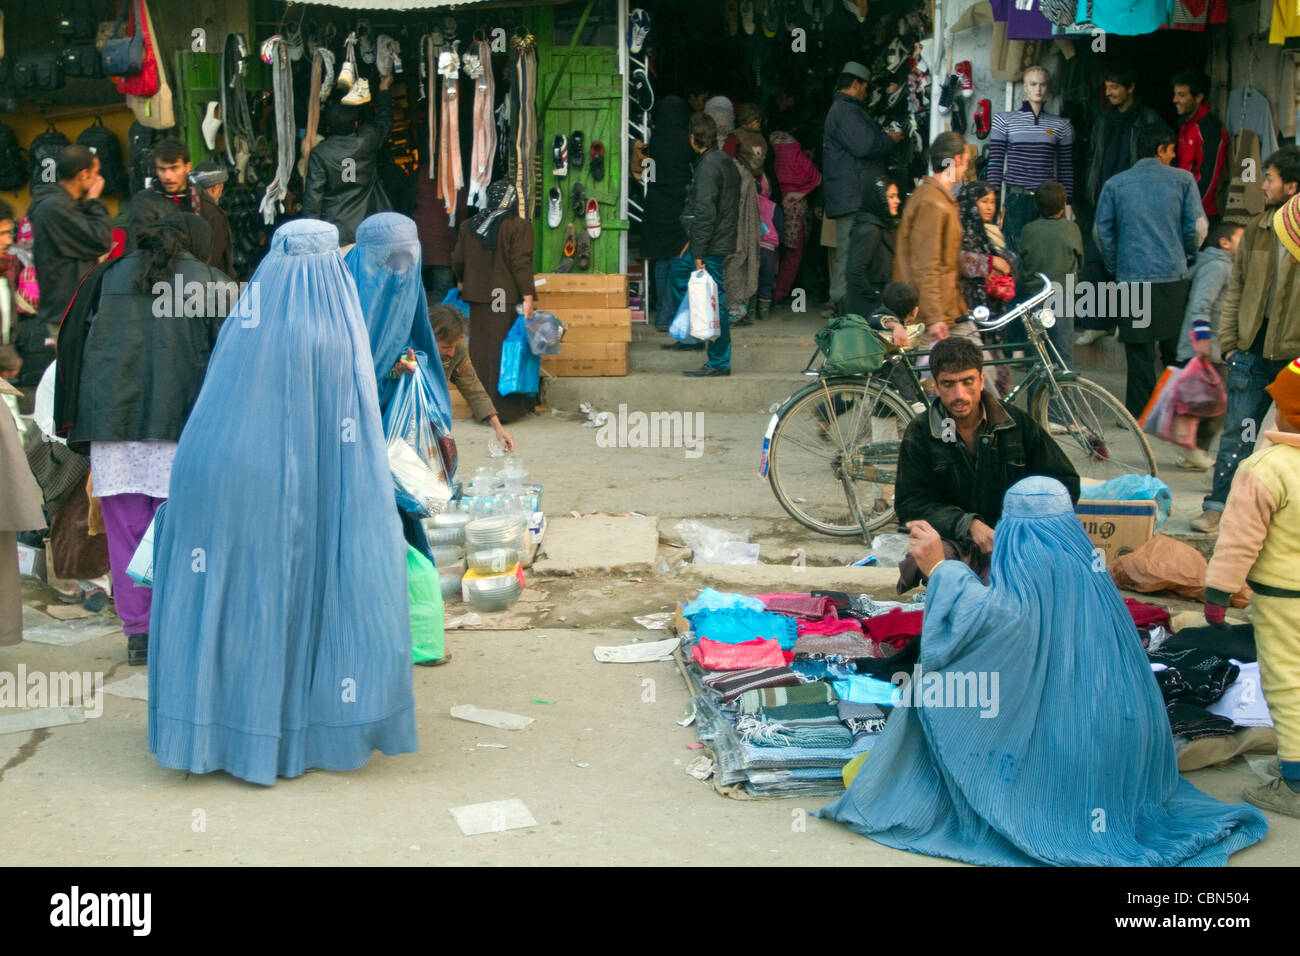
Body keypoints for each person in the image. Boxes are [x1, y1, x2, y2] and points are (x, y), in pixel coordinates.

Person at [816, 476, 1268, 865]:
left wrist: (940, 567)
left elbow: (973, 631)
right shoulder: (1096, 583)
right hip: (1128, 760)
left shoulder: (1013, 602)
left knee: (940, 696)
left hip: (1057, 769)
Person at [147, 218, 418, 786]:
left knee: (235, 608)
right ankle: (291, 737)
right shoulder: (337, 330)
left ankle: (218, 735)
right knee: (295, 602)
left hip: (214, 478)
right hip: (288, 489)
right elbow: (351, 442)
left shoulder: (249, 320)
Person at [58, 215, 229, 665]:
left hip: (113, 428)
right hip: (185, 428)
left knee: (126, 532)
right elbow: (231, 361)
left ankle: (140, 634)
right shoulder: (211, 281)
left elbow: (70, 343)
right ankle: (180, 628)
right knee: (181, 531)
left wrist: (72, 421)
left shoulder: (103, 277)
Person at [1205, 360, 1300, 818]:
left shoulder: (1263, 467)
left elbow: (1239, 540)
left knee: (1286, 686)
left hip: (1283, 601)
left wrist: (1218, 594)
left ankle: (1296, 784)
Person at [1192, 150, 1300, 533]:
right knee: (1239, 432)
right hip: (1251, 350)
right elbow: (1236, 285)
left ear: (1292, 186)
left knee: (1292, 442)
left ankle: (1285, 521)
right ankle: (1218, 507)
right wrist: (1230, 342)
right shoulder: (1258, 227)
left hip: (1294, 358)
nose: (1263, 186)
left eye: (1269, 179)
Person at [895, 337, 1079, 560]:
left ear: (982, 380)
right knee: (922, 558)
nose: (959, 395)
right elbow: (910, 505)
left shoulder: (1016, 423)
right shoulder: (921, 431)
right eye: (948, 384)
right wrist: (968, 525)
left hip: (1016, 542)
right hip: (954, 542)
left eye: (968, 382)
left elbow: (1063, 482)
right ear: (935, 385)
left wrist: (1019, 529)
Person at [346, 212, 458, 561]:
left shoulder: (407, 290)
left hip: (391, 427)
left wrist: (406, 368)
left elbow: (420, 345)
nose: (397, 271)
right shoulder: (342, 290)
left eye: (406, 261)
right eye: (387, 261)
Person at [1094, 123, 1206, 418]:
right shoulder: (1182, 180)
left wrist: (1116, 265)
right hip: (1173, 276)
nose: (1174, 157)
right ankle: (1174, 415)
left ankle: (1139, 416)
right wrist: (1187, 256)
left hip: (1132, 278)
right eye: (1172, 151)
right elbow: (1197, 227)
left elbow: (1101, 233)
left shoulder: (1116, 184)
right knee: (1175, 351)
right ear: (1161, 150)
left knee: (1140, 353)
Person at [1077, 67, 1163, 347]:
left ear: (1131, 87)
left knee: (1129, 262)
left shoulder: (1148, 118)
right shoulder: (1103, 119)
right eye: (1108, 87)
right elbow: (1094, 155)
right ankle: (1096, 324)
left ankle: (1123, 323)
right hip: (1103, 197)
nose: (1111, 92)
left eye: (1115, 87)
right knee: (1095, 259)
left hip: (1135, 199)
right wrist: (1091, 188)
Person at [22, 145, 113, 387]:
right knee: (79, 381)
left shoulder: (63, 204)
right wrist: (94, 200)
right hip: (67, 310)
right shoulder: (54, 207)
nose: (98, 180)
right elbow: (99, 239)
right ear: (83, 175)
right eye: (95, 173)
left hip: (76, 307)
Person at [451, 180, 536, 420]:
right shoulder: (518, 226)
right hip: (505, 298)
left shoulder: (470, 226)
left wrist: (461, 280)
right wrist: (528, 297)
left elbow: (458, 259)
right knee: (505, 351)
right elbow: (521, 263)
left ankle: (483, 411)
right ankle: (506, 410)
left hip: (479, 298)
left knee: (481, 352)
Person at [894, 132, 982, 353]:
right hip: (936, 313)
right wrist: (934, 318)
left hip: (946, 309)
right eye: (966, 160)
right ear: (958, 160)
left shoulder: (936, 198)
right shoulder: (933, 202)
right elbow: (927, 264)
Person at [666, 112, 739, 376]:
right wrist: (694, 240)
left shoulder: (708, 166)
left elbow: (706, 212)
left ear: (693, 139)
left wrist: (699, 249)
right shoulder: (724, 162)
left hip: (712, 245)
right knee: (681, 275)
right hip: (715, 239)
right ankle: (692, 336)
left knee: (715, 301)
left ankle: (719, 361)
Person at [823, 62, 899, 313]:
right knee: (849, 256)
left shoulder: (845, 110)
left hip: (853, 196)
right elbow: (865, 146)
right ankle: (842, 310)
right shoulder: (845, 111)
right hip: (852, 197)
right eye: (866, 89)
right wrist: (889, 139)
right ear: (855, 84)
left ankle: (850, 309)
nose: (867, 95)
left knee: (857, 255)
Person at [1171, 221, 1245, 471]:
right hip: (1206, 346)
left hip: (1211, 345)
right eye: (1240, 239)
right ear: (1224, 243)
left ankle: (1190, 449)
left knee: (1207, 401)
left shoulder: (1222, 265)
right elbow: (1202, 304)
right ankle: (1193, 448)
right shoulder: (1217, 266)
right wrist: (1202, 339)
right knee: (1218, 402)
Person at [302, 72, 395, 247]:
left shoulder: (320, 153)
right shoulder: (367, 140)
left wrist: (310, 240)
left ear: (329, 126)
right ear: (355, 124)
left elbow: (313, 201)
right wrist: (383, 89)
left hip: (335, 235)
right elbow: (384, 120)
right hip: (368, 232)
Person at [127, 138, 234, 277]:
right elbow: (136, 254)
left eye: (174, 168)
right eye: (162, 169)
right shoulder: (144, 203)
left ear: (187, 167)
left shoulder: (202, 202)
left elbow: (218, 255)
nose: (168, 176)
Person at [956, 180, 1017, 395]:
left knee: (993, 359)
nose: (990, 206)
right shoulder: (960, 229)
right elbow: (959, 260)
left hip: (991, 309)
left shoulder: (989, 231)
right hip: (970, 307)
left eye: (992, 201)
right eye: (984, 201)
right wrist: (991, 263)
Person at [430, 304, 515, 451]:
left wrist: (498, 427)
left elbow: (472, 386)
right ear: (429, 336)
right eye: (445, 347)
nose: (451, 352)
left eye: (454, 346)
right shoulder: (405, 345)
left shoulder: (457, 349)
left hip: (432, 416)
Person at [1018, 180, 1084, 369]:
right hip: (1062, 296)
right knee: (1063, 355)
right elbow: (1081, 261)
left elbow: (1022, 262)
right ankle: (1062, 396)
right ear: (1064, 205)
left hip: (1033, 296)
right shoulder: (1072, 229)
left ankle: (1036, 397)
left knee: (1037, 354)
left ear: (1037, 205)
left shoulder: (1028, 230)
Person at [641, 96, 694, 331]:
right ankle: (672, 314)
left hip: (655, 203)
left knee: (660, 259)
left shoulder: (654, 139)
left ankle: (662, 316)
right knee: (677, 258)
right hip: (679, 203)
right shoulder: (686, 140)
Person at [770, 128, 821, 306]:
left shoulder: (773, 157)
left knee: (773, 251)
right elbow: (816, 177)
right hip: (796, 211)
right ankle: (781, 293)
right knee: (794, 254)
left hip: (774, 208)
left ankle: (768, 292)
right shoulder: (799, 161)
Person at [1173, 70, 1229, 220]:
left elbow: (1210, 177)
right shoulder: (1184, 126)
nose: (1175, 100)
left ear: (1198, 97)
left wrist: (1192, 211)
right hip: (1183, 207)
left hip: (1202, 214)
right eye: (1175, 94)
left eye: (1182, 95)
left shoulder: (1210, 128)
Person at [844, 176, 900, 318]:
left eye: (897, 196)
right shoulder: (870, 230)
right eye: (891, 197)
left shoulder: (878, 225)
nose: (897, 201)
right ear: (879, 199)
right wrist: (874, 295)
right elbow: (855, 271)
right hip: (867, 309)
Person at [723, 103, 767, 181]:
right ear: (755, 121)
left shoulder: (735, 136)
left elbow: (725, 159)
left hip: (744, 180)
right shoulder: (761, 137)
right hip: (757, 180)